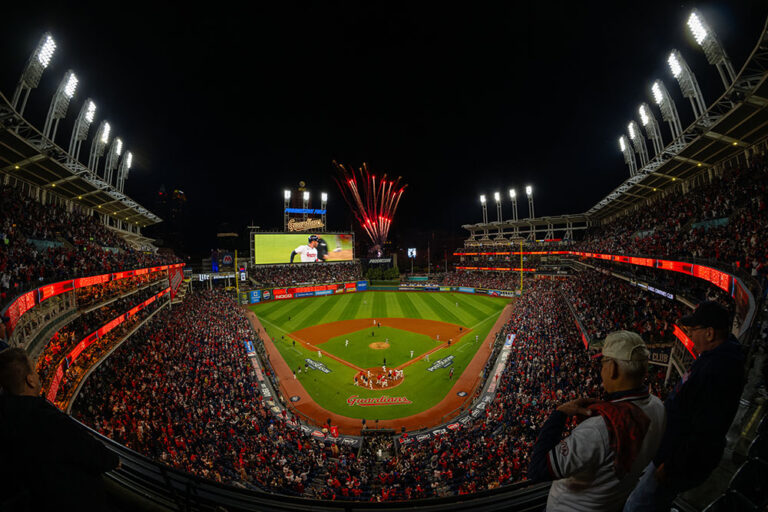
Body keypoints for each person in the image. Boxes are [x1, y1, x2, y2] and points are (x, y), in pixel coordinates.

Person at [624, 302, 745, 512]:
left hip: (676, 461)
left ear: (709, 333)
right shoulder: (716, 359)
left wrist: (671, 466)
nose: (690, 336)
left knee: (637, 506)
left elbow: (706, 430)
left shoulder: (718, 370)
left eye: (693, 331)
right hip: (675, 454)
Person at [527, 331, 665, 512]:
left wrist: (558, 414)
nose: (601, 369)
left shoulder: (598, 429)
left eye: (603, 362)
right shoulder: (658, 407)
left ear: (614, 368)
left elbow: (538, 469)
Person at [0, 347, 120, 511]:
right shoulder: (47, 419)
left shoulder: (6, 417)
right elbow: (92, 452)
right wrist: (114, 460)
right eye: (34, 371)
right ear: (30, 380)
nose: (37, 375)